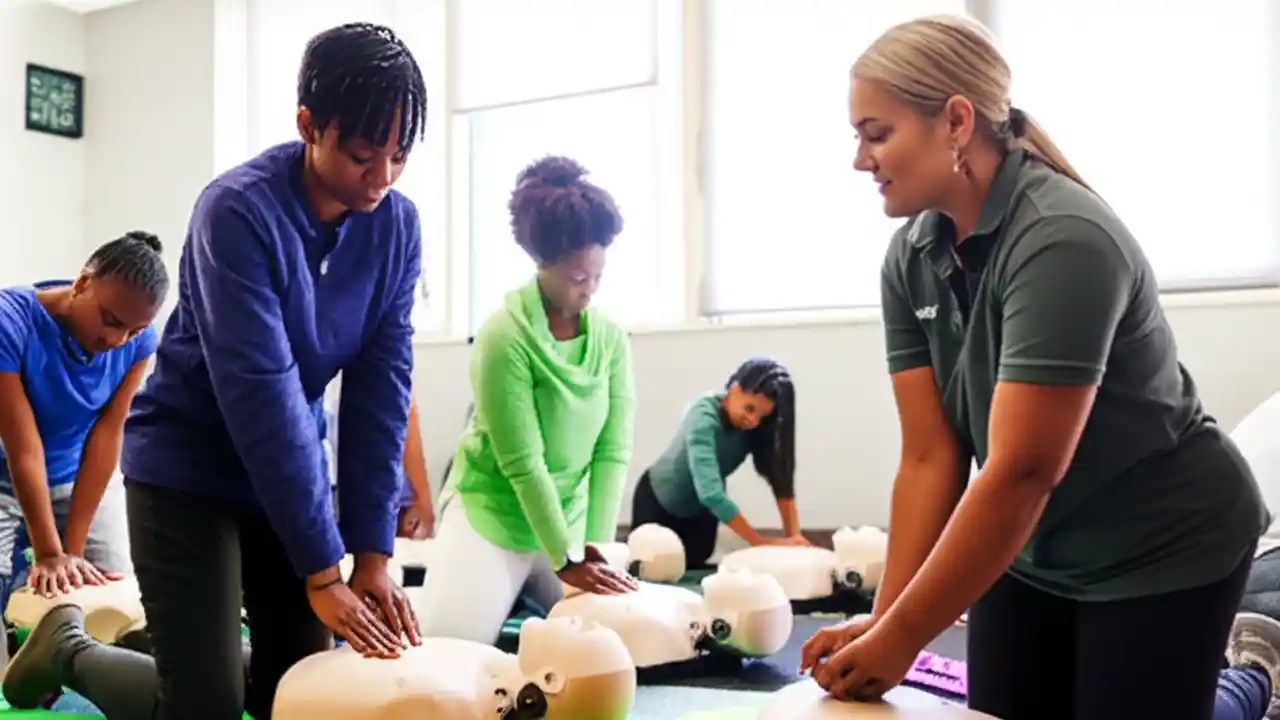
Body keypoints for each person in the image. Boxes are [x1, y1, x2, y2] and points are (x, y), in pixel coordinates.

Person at [797, 13, 1266, 720]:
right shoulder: (911, 256)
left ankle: (1255, 675)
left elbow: (1022, 470)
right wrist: (885, 620)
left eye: (876, 133)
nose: (861, 160)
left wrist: (902, 641)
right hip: (1036, 548)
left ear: (955, 121)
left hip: (1165, 544)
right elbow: (931, 456)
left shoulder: (1062, 239)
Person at [1, 22, 427, 719]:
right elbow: (262, 395)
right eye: (361, 155)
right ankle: (67, 649)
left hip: (283, 482)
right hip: (187, 471)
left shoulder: (397, 228)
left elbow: (383, 386)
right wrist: (323, 570)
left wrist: (373, 556)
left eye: (399, 155)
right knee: (203, 710)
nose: (381, 178)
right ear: (308, 126)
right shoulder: (236, 210)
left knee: (298, 694)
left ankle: (163, 646)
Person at [415, 155, 639, 645]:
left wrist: (595, 549)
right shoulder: (503, 335)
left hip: (570, 524)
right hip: (494, 517)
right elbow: (523, 462)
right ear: (543, 265)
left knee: (615, 647)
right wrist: (566, 560)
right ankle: (429, 592)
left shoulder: (610, 339)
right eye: (578, 279)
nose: (589, 290)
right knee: (447, 653)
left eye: (598, 276)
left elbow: (612, 450)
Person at [0, 232, 167, 611]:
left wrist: (71, 554)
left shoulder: (139, 344)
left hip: (74, 475)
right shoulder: (9, 321)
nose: (116, 339)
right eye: (111, 321)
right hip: (6, 474)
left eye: (133, 331)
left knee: (115, 592)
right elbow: (22, 446)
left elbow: (108, 435)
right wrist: (49, 553)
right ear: (83, 282)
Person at [630, 357, 808, 569]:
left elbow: (781, 478)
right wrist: (761, 542)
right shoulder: (703, 415)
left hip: (699, 513)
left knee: (694, 562)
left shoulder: (755, 428)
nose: (753, 422)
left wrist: (794, 539)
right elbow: (710, 493)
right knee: (650, 566)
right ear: (735, 388)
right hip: (658, 504)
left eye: (762, 417)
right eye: (750, 409)